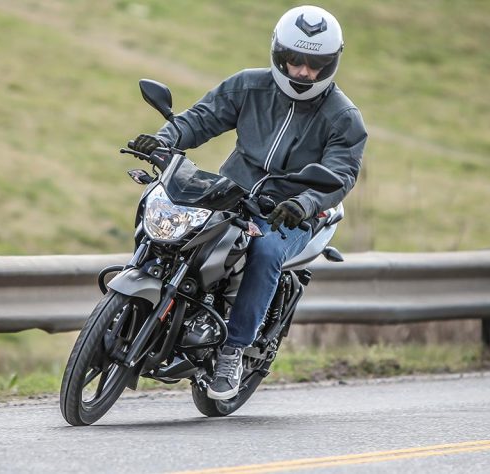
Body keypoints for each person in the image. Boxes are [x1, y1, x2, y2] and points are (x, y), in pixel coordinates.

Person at [129, 5, 367, 400]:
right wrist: (165, 139)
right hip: (233, 192)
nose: (303, 72)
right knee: (173, 218)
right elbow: (200, 119)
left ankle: (232, 351)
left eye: (315, 65)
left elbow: (341, 174)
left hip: (290, 211)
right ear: (279, 54)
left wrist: (304, 203)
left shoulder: (343, 118)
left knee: (266, 247)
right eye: (295, 61)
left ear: (332, 64)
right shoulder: (247, 86)